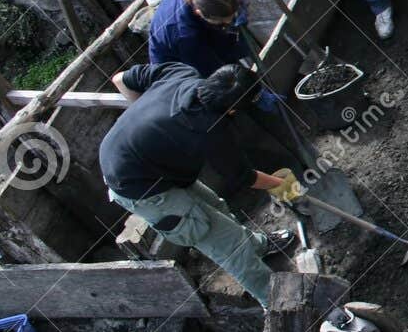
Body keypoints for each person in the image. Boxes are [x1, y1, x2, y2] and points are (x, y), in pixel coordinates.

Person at [99, 61, 301, 307]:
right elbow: (243, 176)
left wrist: (151, 133)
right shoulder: (208, 129)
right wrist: (281, 184)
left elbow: (120, 79)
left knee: (215, 205)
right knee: (229, 247)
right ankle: (281, 304)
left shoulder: (181, 73)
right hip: (142, 190)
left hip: (144, 165)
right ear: (232, 111)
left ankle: (257, 246)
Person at [146, 0, 282, 115]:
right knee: (222, 91)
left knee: (235, 46)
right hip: (174, 62)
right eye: (224, 21)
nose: (230, 21)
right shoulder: (185, 36)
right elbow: (215, 72)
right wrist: (254, 95)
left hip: (201, 31)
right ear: (200, 14)